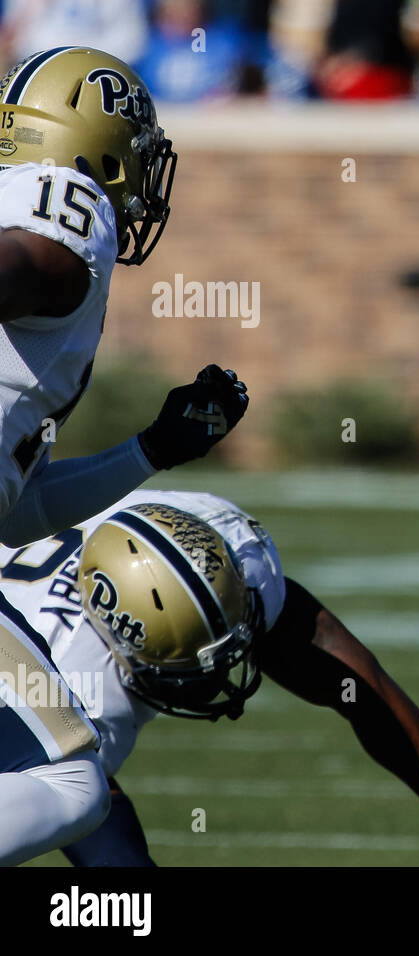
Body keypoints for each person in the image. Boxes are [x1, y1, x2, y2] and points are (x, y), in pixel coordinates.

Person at [0, 46, 249, 865]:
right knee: (70, 783)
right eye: (136, 158)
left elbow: (20, 513)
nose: (141, 183)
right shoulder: (67, 199)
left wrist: (149, 450)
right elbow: (20, 266)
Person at [0, 489, 419, 866]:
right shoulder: (77, 685)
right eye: (187, 666)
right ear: (120, 648)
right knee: (80, 794)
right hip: (20, 663)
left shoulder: (227, 545)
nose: (221, 677)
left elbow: (355, 681)